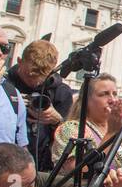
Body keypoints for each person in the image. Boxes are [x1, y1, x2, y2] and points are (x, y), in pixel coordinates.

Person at [6, 40, 73, 172]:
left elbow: (71, 137)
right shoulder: (3, 85)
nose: (35, 82)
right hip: (7, 160)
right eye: (29, 76)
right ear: (19, 61)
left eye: (41, 78)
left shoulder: (61, 92)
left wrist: (57, 120)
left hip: (43, 164)